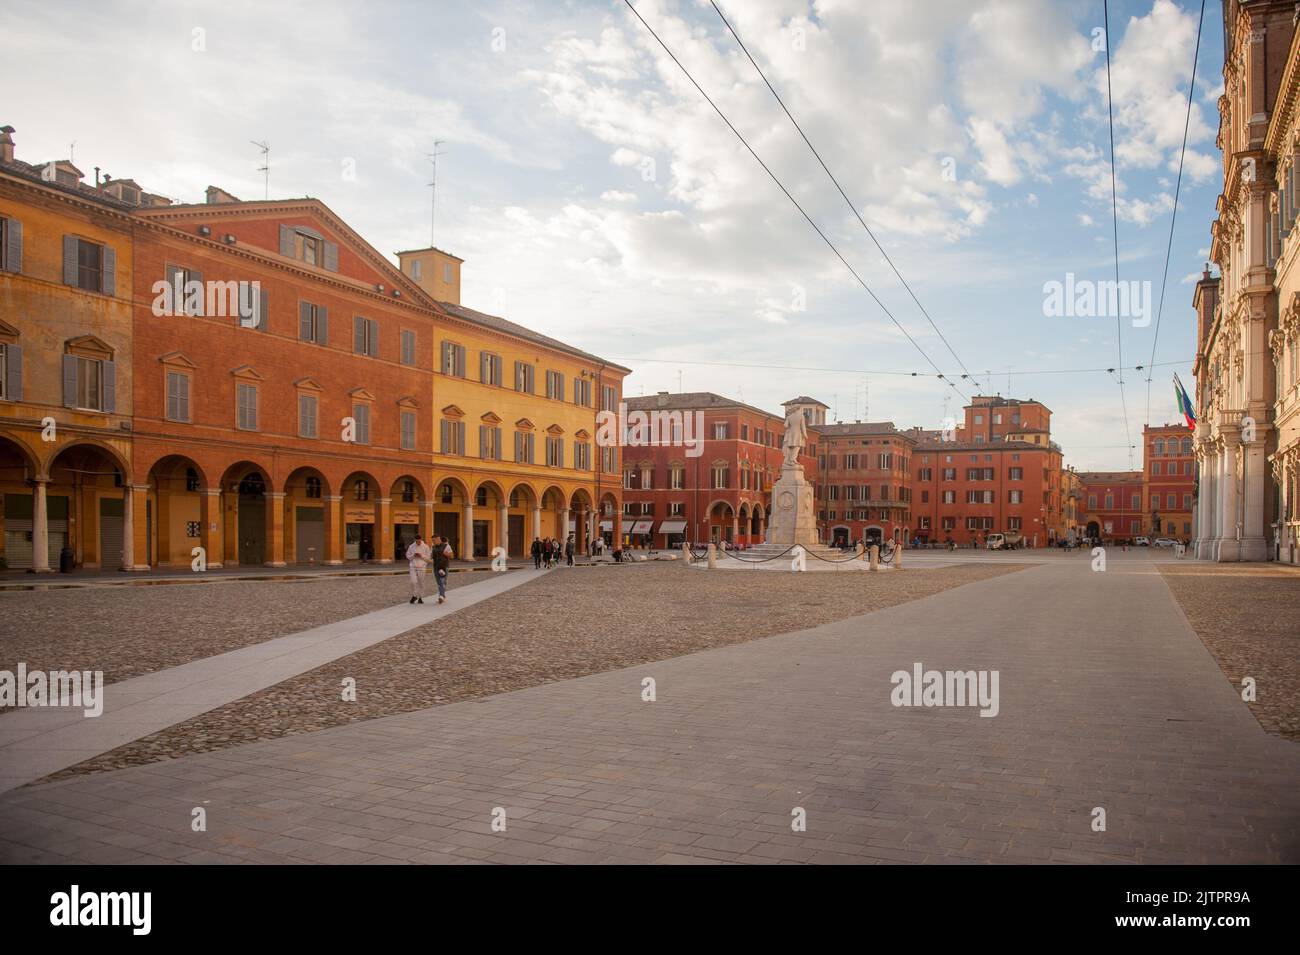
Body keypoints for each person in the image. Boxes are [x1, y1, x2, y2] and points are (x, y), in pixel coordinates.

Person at [405, 532, 431, 604]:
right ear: (415, 540)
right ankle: (414, 595)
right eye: (416, 541)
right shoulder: (411, 546)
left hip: (422, 566)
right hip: (413, 566)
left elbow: (428, 557)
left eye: (419, 541)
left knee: (421, 582)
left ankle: (420, 597)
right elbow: (407, 555)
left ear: (421, 539)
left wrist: (421, 556)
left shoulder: (425, 546)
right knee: (413, 582)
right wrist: (413, 555)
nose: (418, 542)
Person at [431, 534, 452, 604]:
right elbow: (432, 557)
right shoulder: (433, 547)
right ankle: (443, 596)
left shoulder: (446, 546)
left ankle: (441, 596)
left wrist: (446, 554)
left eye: (434, 540)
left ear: (438, 539)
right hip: (436, 567)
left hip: (444, 566)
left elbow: (452, 555)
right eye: (432, 541)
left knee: (442, 581)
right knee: (439, 582)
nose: (433, 542)